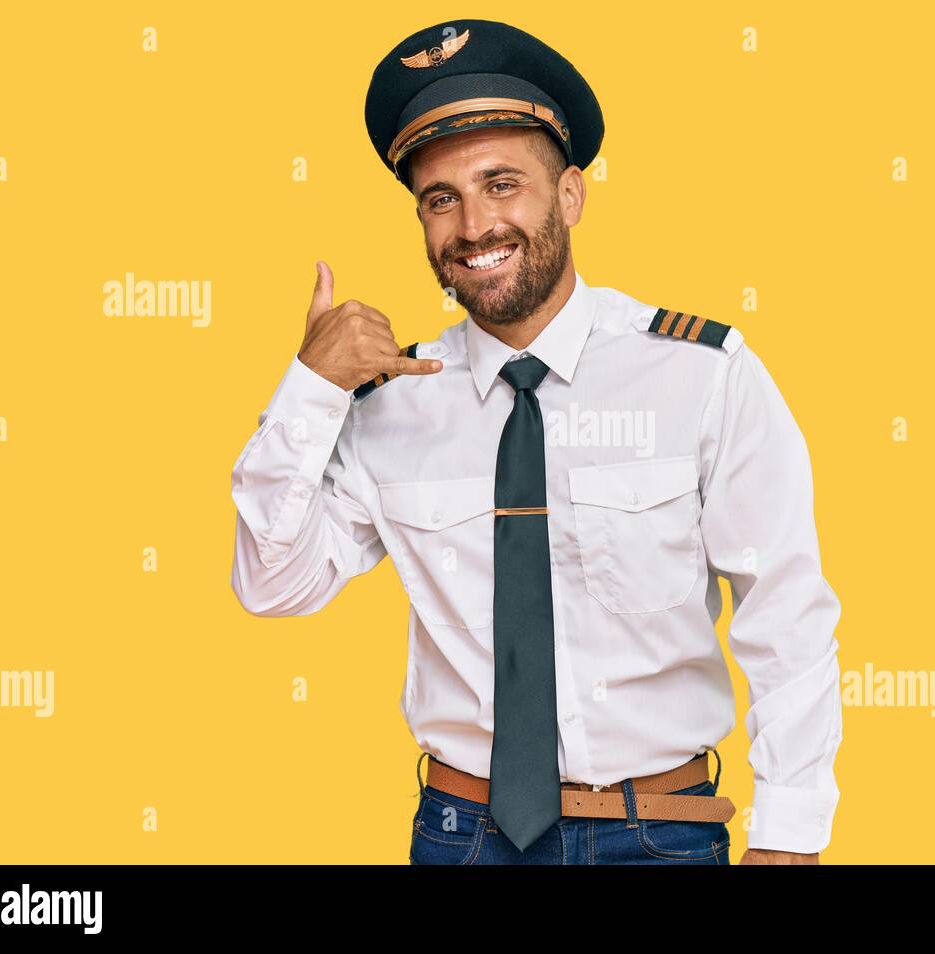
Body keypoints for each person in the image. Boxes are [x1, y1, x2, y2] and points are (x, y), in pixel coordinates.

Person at [230, 18, 843, 865]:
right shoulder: (386, 401)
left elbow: (786, 610)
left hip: (660, 833)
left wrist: (792, 834)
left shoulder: (700, 374)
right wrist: (309, 389)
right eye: (440, 198)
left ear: (570, 196)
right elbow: (271, 584)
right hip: (460, 836)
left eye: (501, 183)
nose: (474, 226)